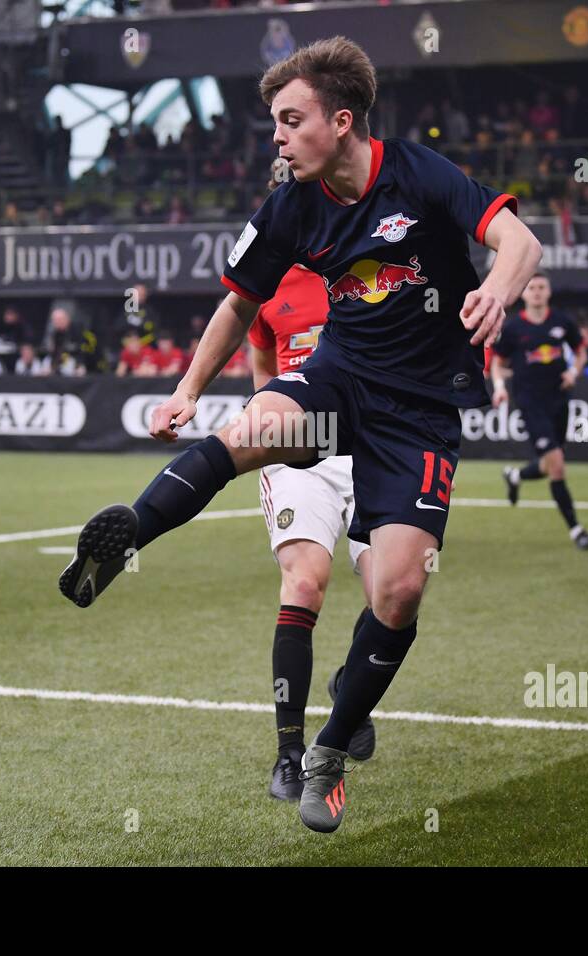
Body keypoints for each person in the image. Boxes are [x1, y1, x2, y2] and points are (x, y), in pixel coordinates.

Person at [56, 36, 542, 834]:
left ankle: (329, 750)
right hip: (338, 380)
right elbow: (238, 305)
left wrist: (497, 289)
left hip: (418, 413)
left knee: (398, 591)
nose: (276, 138)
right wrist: (186, 389)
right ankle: (125, 536)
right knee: (251, 430)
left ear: (341, 121)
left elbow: (520, 243)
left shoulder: (420, 174)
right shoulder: (289, 204)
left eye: (290, 120)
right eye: (273, 123)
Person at [248, 248, 375, 801]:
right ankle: (288, 753)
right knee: (303, 582)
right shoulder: (265, 283)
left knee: (392, 595)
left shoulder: (367, 263)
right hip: (301, 445)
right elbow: (262, 371)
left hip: (370, 441)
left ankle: (350, 686)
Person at [491, 274, 588, 551]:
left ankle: (515, 476)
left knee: (551, 463)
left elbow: (581, 352)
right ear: (524, 294)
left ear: (548, 292)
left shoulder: (562, 322)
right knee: (557, 464)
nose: (536, 292)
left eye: (541, 287)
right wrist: (500, 387)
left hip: (559, 399)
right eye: (531, 288)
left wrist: (573, 372)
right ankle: (576, 530)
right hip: (530, 401)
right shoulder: (513, 328)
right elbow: (497, 364)